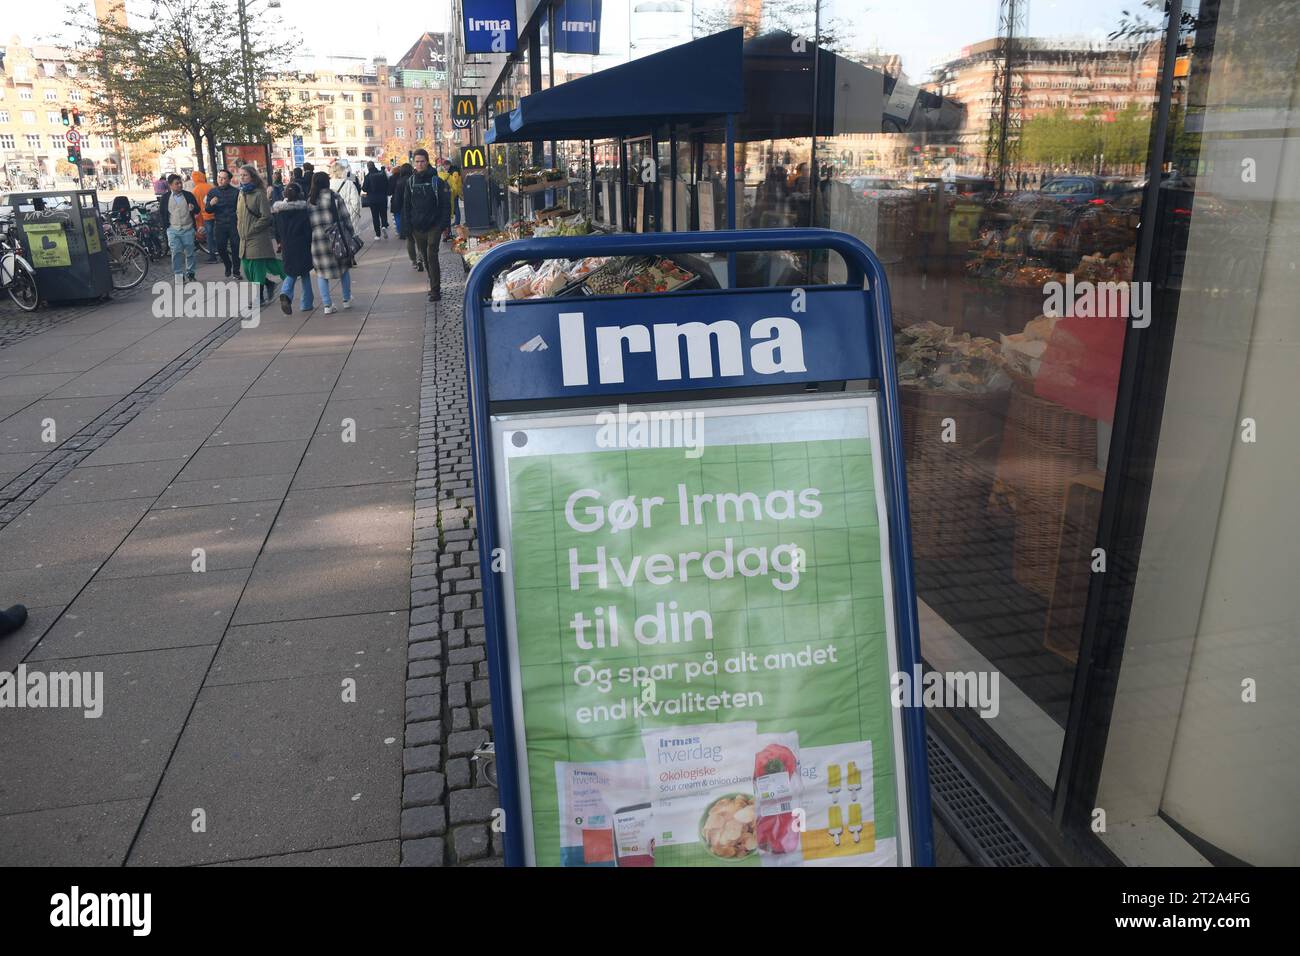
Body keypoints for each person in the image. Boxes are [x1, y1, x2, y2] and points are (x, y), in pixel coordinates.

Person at [403, 148, 450, 301]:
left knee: (432, 256)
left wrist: (443, 224)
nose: (420, 164)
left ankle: (435, 289)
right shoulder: (410, 182)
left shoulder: (437, 181)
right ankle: (433, 284)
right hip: (417, 227)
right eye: (417, 161)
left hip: (434, 225)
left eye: (422, 161)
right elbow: (406, 206)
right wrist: (408, 227)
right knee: (424, 257)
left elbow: (445, 204)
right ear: (413, 163)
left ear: (427, 162)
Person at [235, 164, 284, 302]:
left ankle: (259, 298)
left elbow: (266, 216)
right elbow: (239, 213)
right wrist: (239, 227)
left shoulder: (259, 193)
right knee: (247, 269)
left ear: (252, 177)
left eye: (245, 175)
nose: (242, 177)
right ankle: (269, 283)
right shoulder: (241, 193)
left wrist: (253, 228)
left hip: (257, 237)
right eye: (241, 175)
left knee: (257, 269)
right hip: (244, 238)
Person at [308, 170, 355, 315]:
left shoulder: (310, 200)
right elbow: (345, 217)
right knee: (344, 269)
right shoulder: (334, 197)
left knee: (322, 274)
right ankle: (346, 300)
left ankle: (327, 305)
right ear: (327, 182)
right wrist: (350, 233)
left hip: (317, 241)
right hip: (336, 239)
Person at [272, 183, 314, 315]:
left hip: (287, 245)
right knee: (305, 273)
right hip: (302, 245)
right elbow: (308, 231)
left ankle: (285, 293)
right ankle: (306, 303)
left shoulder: (279, 211)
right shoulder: (304, 210)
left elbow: (276, 229)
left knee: (291, 271)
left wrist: (279, 242)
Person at [159, 173, 202, 281]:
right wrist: (166, 228)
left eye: (180, 183)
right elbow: (162, 213)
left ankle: (191, 273)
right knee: (176, 252)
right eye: (176, 184)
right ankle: (178, 275)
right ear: (170, 185)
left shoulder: (188, 195)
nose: (179, 185)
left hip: (187, 228)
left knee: (190, 253)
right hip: (173, 229)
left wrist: (193, 208)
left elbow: (198, 209)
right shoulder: (165, 198)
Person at [205, 168, 241, 278]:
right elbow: (208, 210)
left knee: (236, 248)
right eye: (219, 178)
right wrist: (211, 204)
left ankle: (236, 271)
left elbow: (240, 209)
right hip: (220, 224)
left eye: (224, 178)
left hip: (233, 224)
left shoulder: (236, 192)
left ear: (229, 180)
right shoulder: (212, 192)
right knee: (220, 248)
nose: (221, 180)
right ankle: (227, 264)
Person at [389, 163, 417, 268]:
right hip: (416, 211)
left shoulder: (400, 182)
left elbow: (398, 198)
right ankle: (420, 258)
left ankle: (413, 259)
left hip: (404, 211)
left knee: (410, 238)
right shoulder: (415, 180)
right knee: (418, 237)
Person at [190, 170, 217, 263]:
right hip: (215, 214)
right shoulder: (210, 186)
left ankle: (212, 256)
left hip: (206, 216)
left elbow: (195, 206)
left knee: (209, 236)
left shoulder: (195, 190)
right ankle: (221, 253)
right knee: (217, 235)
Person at [329, 160, 363, 234]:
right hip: (348, 212)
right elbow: (356, 201)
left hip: (333, 214)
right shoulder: (349, 183)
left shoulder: (328, 184)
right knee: (350, 238)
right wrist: (354, 213)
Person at [362, 160, 390, 239]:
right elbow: (387, 184)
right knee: (383, 214)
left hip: (372, 199)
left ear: (368, 167)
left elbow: (364, 188)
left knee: (375, 216)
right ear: (374, 165)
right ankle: (384, 225)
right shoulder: (381, 174)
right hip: (382, 198)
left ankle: (378, 234)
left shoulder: (367, 176)